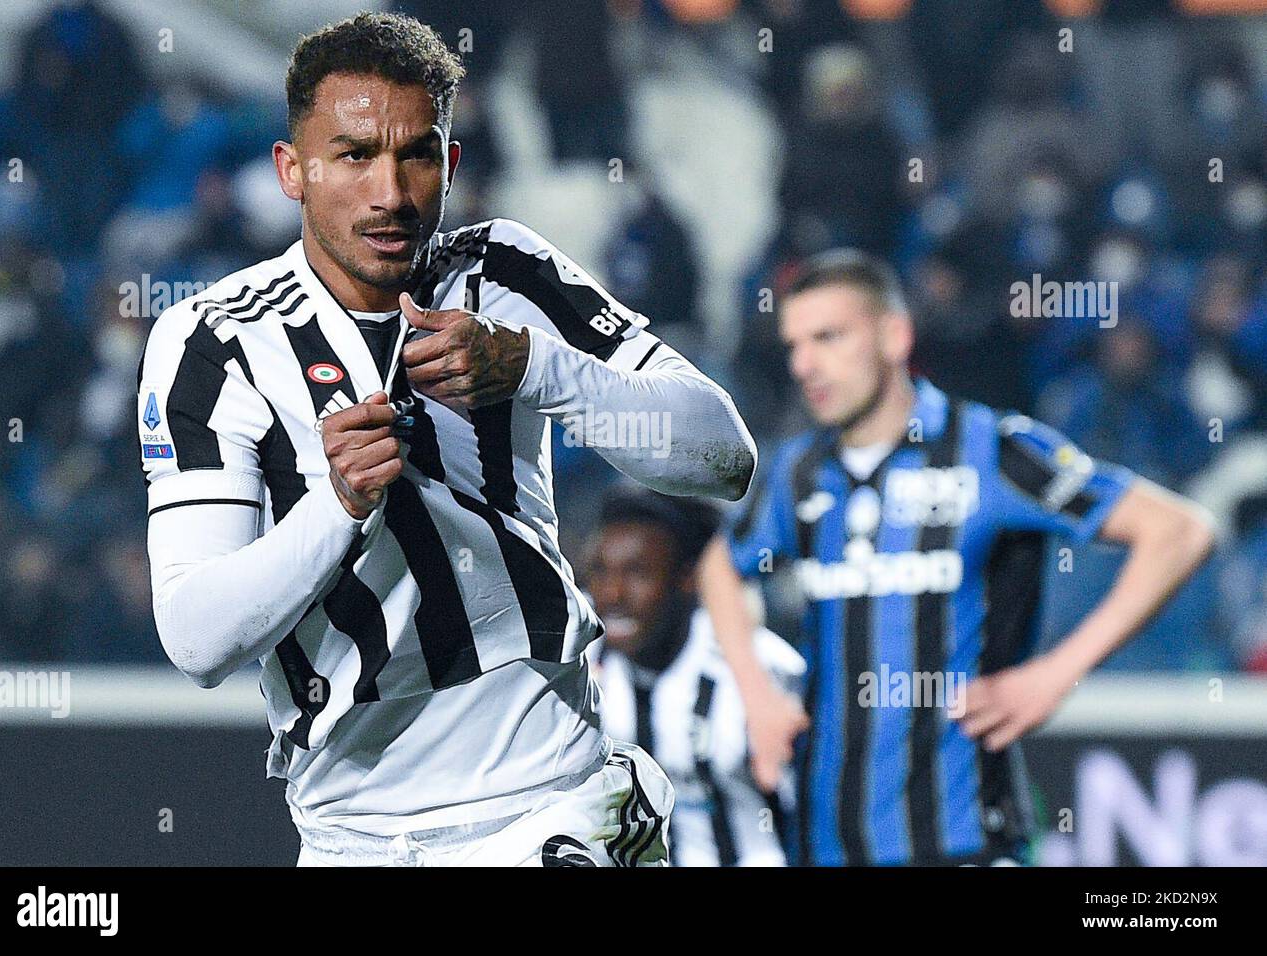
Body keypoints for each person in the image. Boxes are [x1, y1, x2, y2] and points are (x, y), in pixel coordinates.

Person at [137, 12, 756, 867]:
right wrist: (338, 504)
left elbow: (724, 456)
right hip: (348, 835)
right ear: (293, 170)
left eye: (416, 154)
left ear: (451, 162)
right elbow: (198, 641)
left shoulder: (504, 275)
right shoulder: (211, 341)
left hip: (546, 805)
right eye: (354, 155)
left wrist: (537, 369)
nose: (390, 193)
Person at [699, 249, 1215, 866]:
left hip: (967, 839)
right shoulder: (796, 473)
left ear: (894, 334)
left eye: (829, 337)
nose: (806, 364)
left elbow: (1179, 531)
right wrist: (756, 696)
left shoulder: (993, 450)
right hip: (825, 843)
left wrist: (1056, 674)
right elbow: (720, 567)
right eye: (794, 345)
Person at [585, 488, 802, 866]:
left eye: (637, 572)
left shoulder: (760, 671)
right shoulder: (578, 670)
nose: (613, 593)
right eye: (601, 572)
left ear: (686, 578)